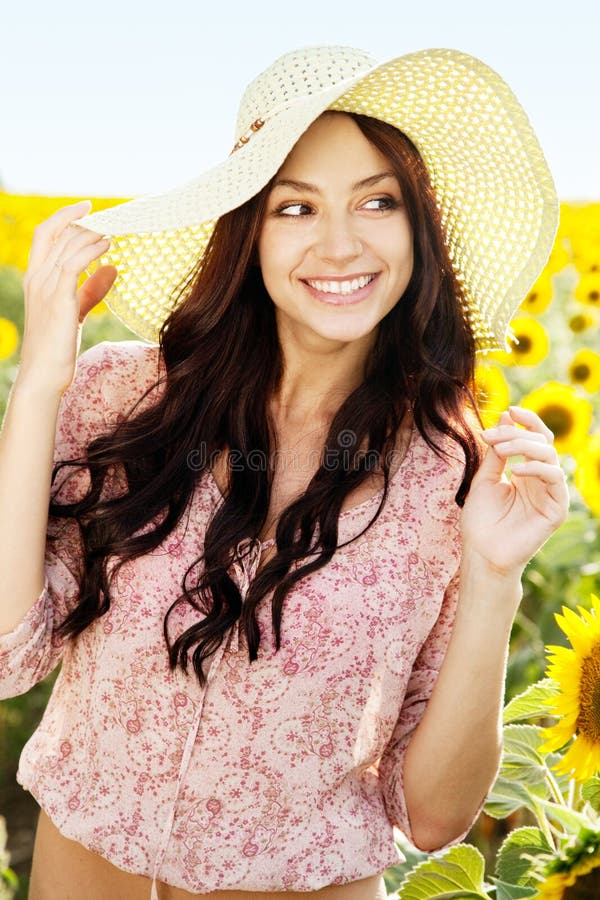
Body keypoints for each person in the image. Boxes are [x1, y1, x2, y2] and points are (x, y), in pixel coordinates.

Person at [0, 44, 568, 900]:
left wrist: (496, 576)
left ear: (420, 229)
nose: (340, 244)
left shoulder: (456, 473)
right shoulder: (121, 394)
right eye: (295, 207)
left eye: (377, 201)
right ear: (248, 232)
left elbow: (435, 817)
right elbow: (9, 652)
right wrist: (41, 381)